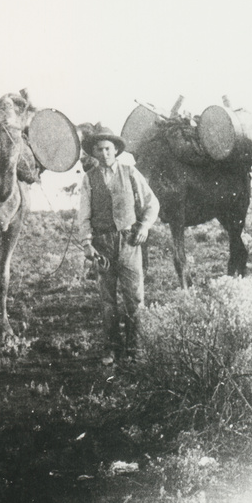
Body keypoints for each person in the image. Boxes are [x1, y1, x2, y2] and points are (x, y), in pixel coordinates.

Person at [77, 125, 160, 364]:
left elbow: (151, 203)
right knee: (107, 299)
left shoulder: (130, 172)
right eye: (99, 149)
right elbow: (84, 214)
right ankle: (111, 348)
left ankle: (135, 348)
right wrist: (86, 243)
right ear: (94, 152)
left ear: (115, 151)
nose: (104, 154)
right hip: (102, 243)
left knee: (134, 296)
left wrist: (144, 226)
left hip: (129, 241)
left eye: (108, 149)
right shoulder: (89, 179)